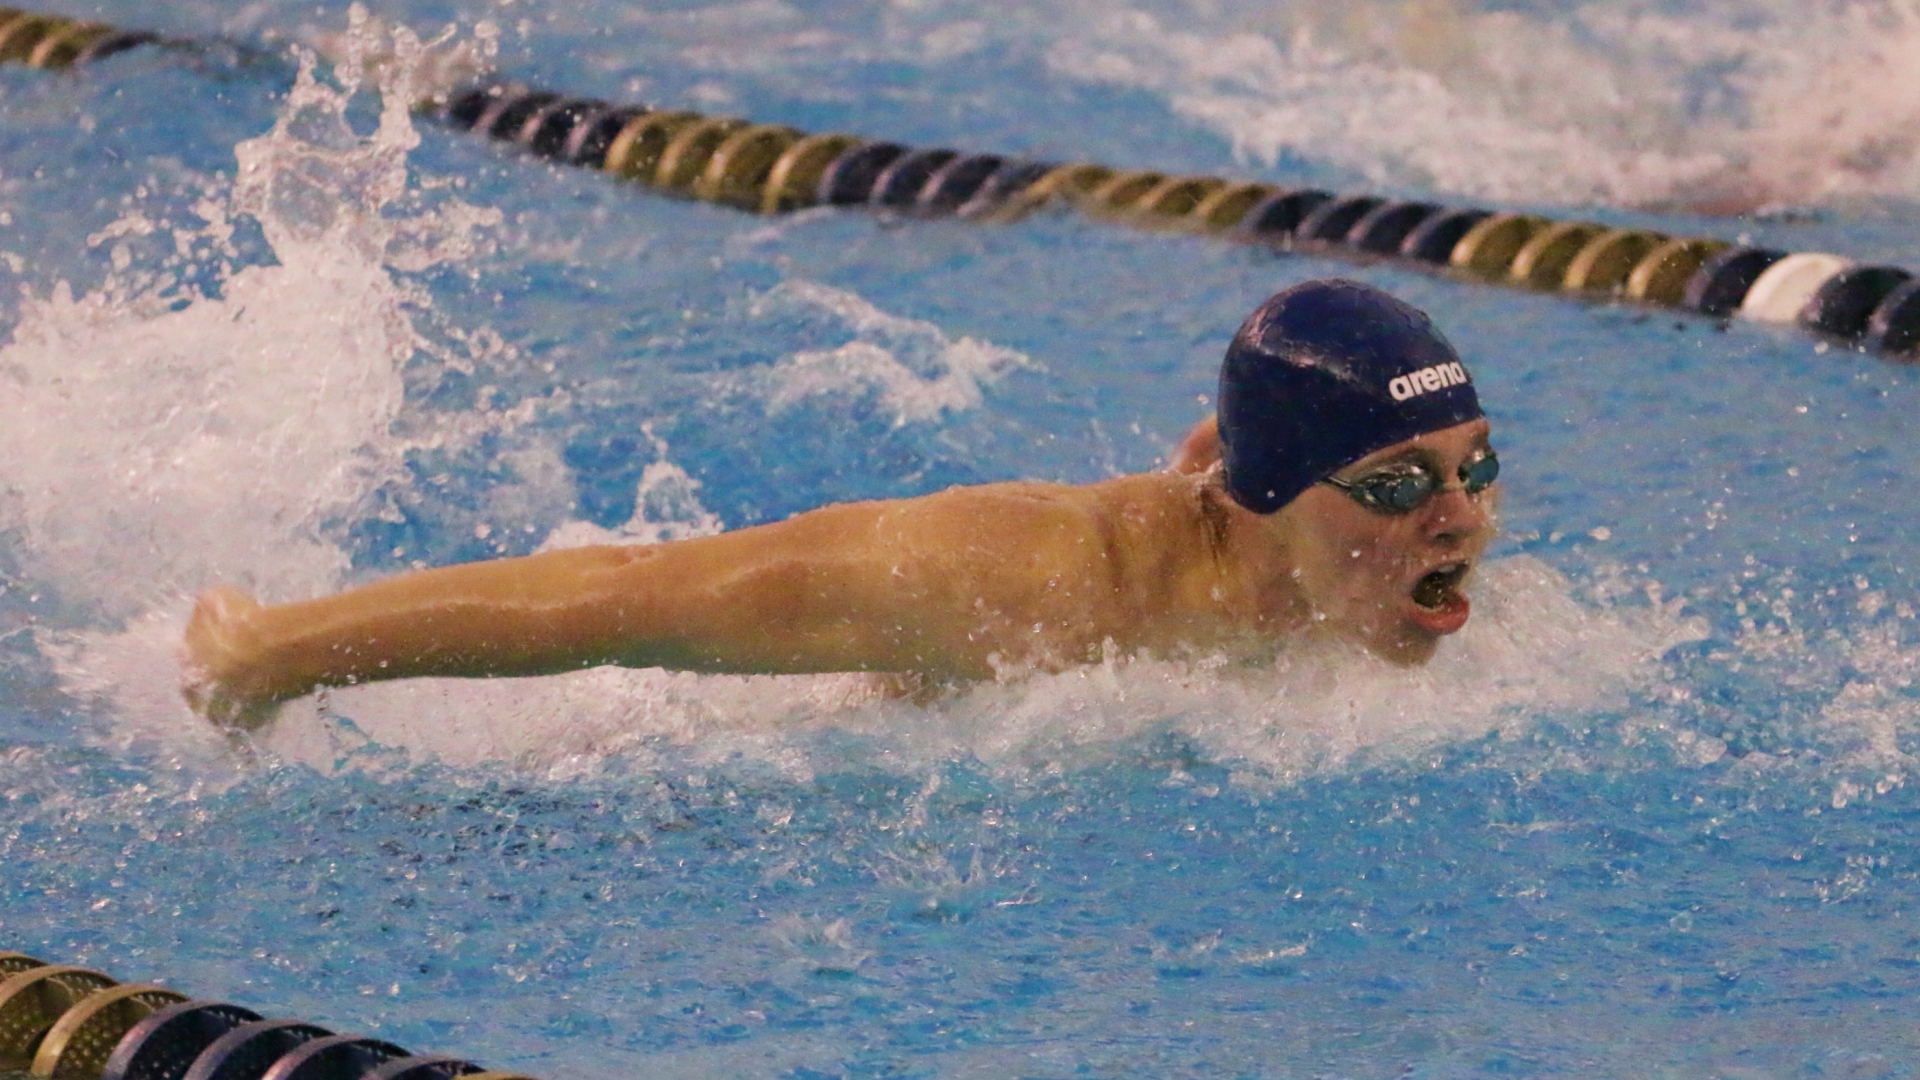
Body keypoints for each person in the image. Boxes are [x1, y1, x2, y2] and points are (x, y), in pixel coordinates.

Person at [183, 279, 1499, 728]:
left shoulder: (1355, 571)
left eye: (1476, 468)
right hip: (741, 750)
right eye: (1398, 486)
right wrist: (277, 653)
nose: (1462, 520)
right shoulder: (1022, 579)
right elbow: (626, 597)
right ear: (1265, 489)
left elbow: (1215, 442)